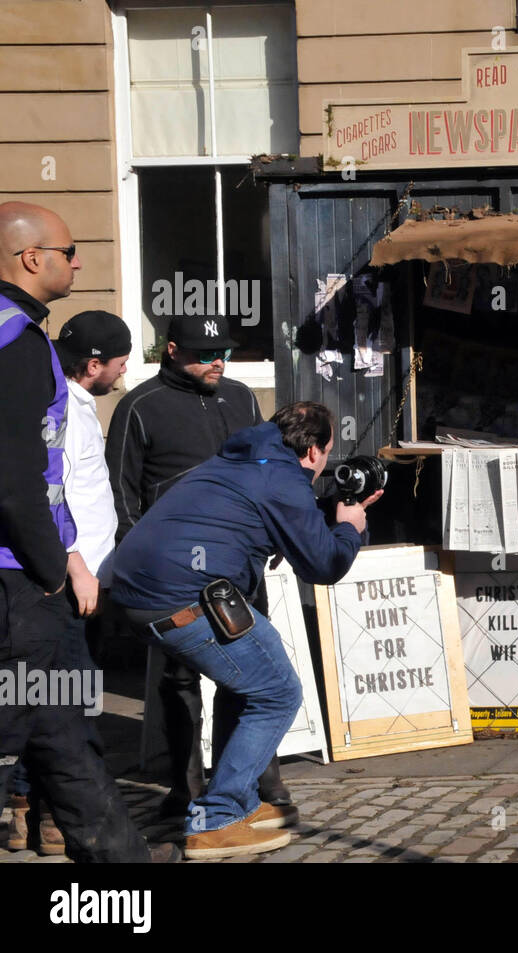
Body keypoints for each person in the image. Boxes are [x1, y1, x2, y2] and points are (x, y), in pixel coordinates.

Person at [111, 402, 380, 858]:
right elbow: (324, 564)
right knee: (277, 693)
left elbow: (249, 515)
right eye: (328, 451)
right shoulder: (282, 480)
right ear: (313, 451)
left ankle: (240, 801)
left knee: (245, 684)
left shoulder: (240, 457)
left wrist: (311, 516)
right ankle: (216, 819)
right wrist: (350, 528)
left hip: (137, 594)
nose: (326, 463)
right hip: (184, 600)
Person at [0, 200, 176, 863]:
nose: (78, 261)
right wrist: (54, 567)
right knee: (42, 725)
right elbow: (18, 479)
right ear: (31, 258)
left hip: (28, 572)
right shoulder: (18, 342)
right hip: (22, 579)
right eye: (69, 251)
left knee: (64, 733)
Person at [106, 313, 293, 820]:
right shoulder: (139, 406)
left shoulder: (242, 397)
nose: (217, 361)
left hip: (239, 565)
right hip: (173, 575)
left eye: (224, 353)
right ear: (170, 350)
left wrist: (274, 525)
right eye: (204, 354)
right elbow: (121, 496)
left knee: (250, 675)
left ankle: (255, 781)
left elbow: (269, 469)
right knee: (180, 680)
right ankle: (185, 788)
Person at [6, 311, 132, 855]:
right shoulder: (68, 414)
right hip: (64, 582)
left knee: (57, 702)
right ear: (94, 365)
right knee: (58, 704)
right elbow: (56, 495)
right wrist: (74, 569)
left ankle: (45, 817)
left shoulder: (79, 405)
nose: (125, 373)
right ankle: (34, 811)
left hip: (79, 581)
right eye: (121, 363)